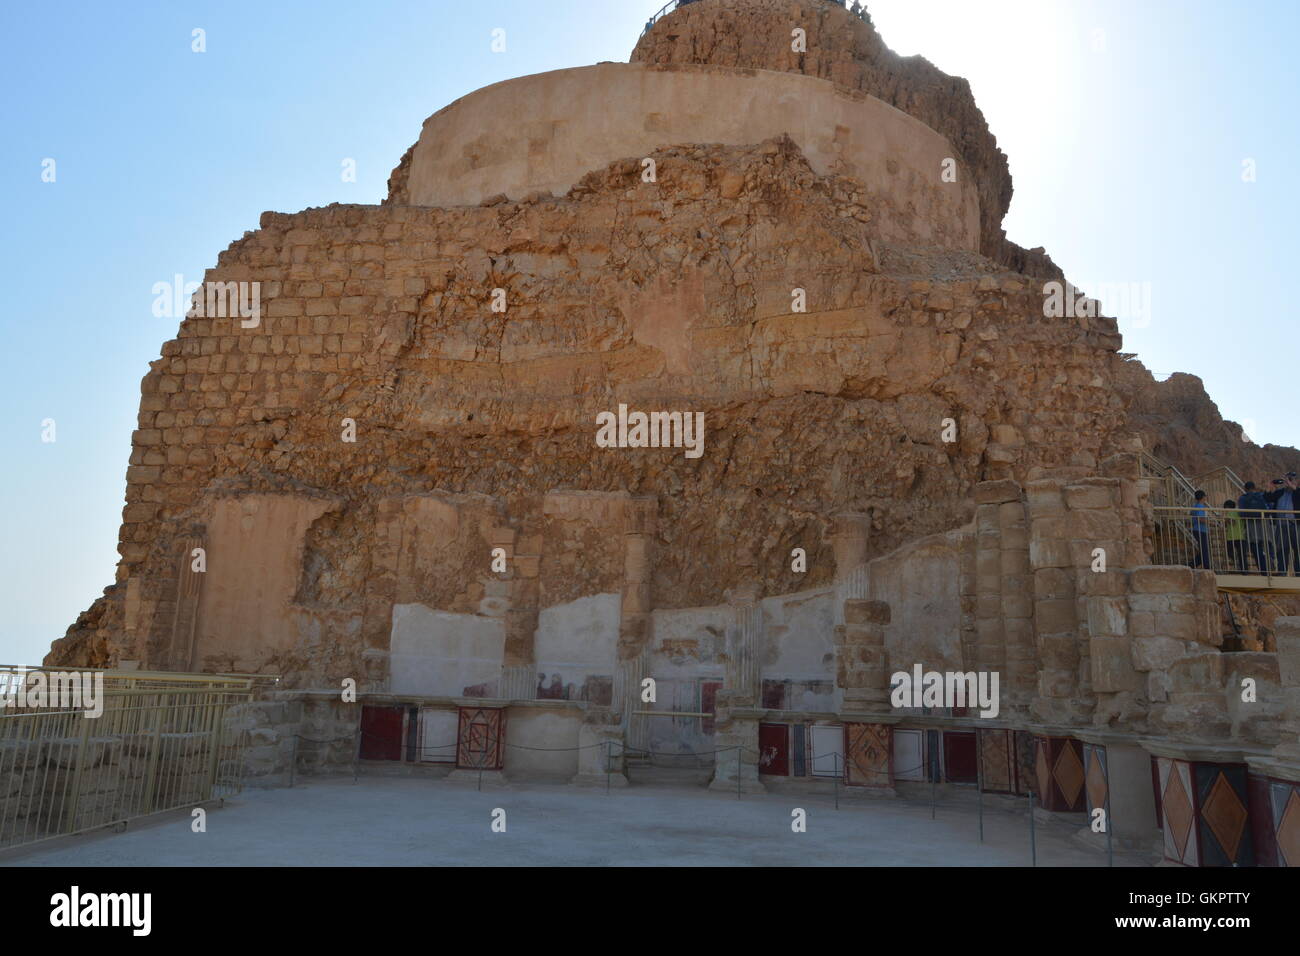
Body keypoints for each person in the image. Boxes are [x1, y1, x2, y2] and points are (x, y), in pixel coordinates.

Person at [1265, 473, 1300, 574]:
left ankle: (1298, 572)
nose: (1288, 481)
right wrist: (1269, 488)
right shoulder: (1280, 492)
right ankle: (1282, 571)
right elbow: (1268, 499)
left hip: (1296, 524)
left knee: (1298, 549)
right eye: (1287, 479)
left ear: (1296, 481)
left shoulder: (1297, 492)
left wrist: (1294, 488)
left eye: (1291, 479)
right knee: (1282, 549)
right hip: (1281, 525)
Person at [1238, 480, 1271, 573]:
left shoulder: (1243, 498)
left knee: (1256, 548)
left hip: (1251, 527)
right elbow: (1267, 509)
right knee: (1266, 546)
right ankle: (1270, 563)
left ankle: (1263, 570)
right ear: (1254, 488)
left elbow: (1242, 513)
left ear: (1245, 489)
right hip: (1263, 527)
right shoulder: (1260, 496)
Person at [1223, 499, 1247, 572]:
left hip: (1232, 537)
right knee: (1242, 555)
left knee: (1230, 552)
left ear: (1227, 507)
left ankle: (1237, 563)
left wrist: (1226, 519)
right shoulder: (1239, 512)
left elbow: (1232, 522)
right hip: (1241, 536)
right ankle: (1244, 570)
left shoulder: (1230, 512)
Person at [1190, 490, 1211, 569]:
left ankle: (1191, 565)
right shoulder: (1200, 506)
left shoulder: (1196, 506)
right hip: (1201, 530)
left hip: (1199, 529)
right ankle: (1207, 568)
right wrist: (1210, 521)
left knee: (1203, 551)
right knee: (1204, 550)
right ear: (1203, 497)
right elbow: (1201, 519)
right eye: (1205, 496)